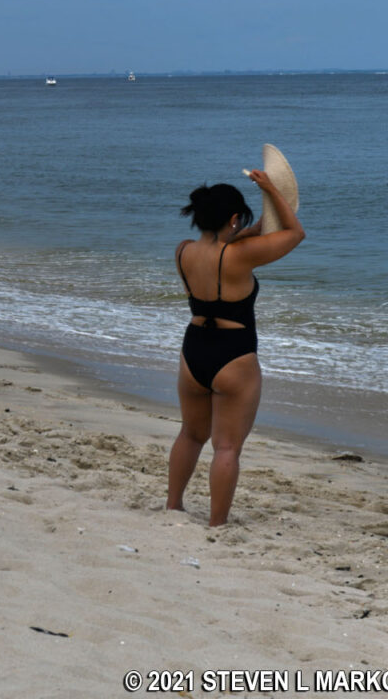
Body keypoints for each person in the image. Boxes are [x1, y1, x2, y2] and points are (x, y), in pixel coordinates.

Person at [167, 172, 303, 526]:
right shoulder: (241, 256)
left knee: (191, 434)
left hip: (193, 350)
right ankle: (216, 523)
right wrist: (273, 191)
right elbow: (295, 234)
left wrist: (254, 227)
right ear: (232, 219)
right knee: (226, 447)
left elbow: (223, 244)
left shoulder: (183, 251)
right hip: (234, 354)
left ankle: (173, 506)